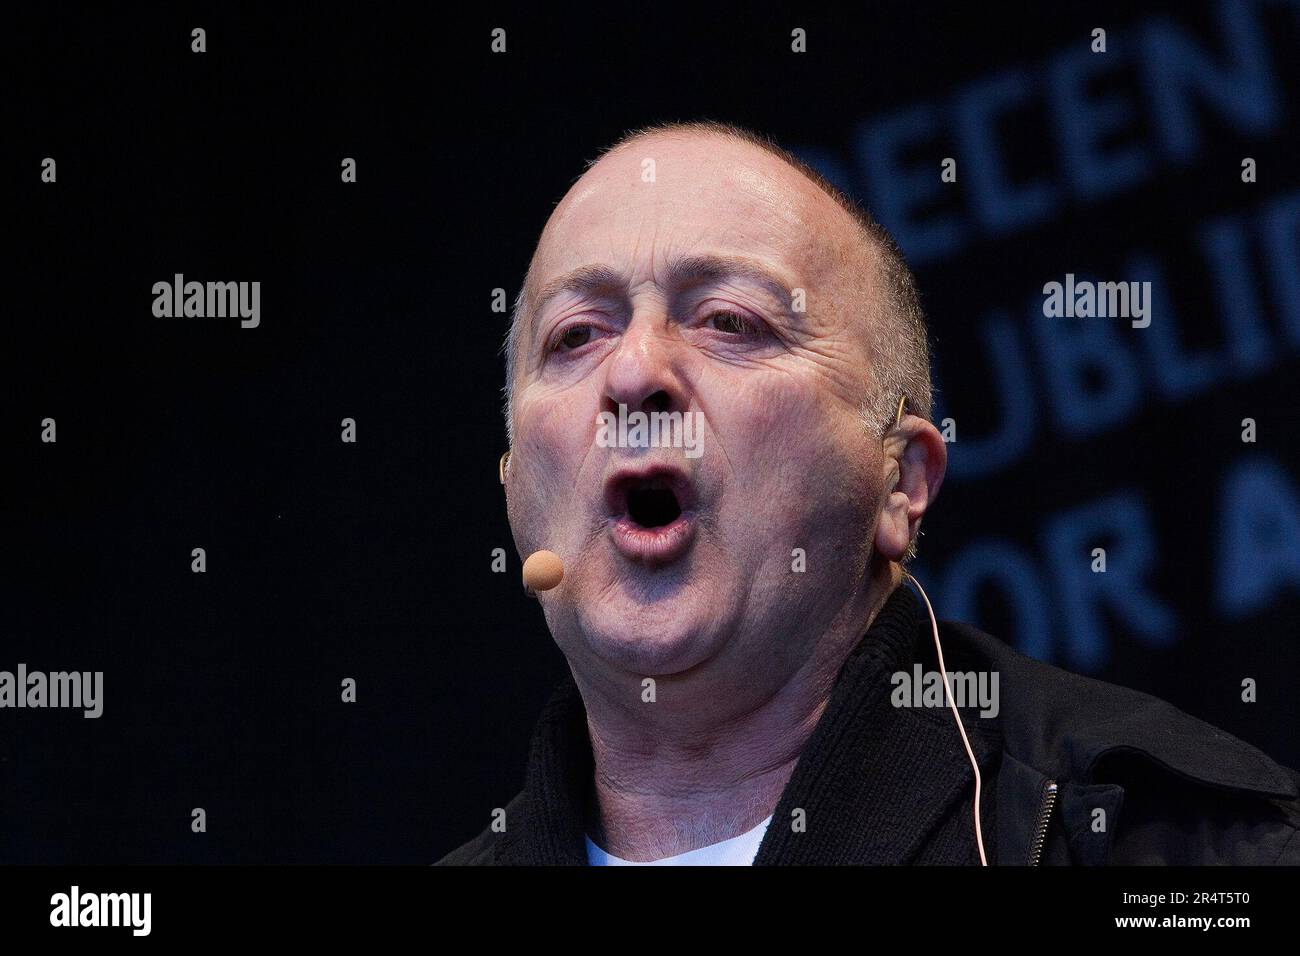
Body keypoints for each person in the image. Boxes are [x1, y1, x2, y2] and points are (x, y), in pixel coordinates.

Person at [439, 121, 1300, 865]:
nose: (633, 373)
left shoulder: (1163, 846)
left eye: (730, 321)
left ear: (902, 481)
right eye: (577, 334)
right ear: (517, 488)